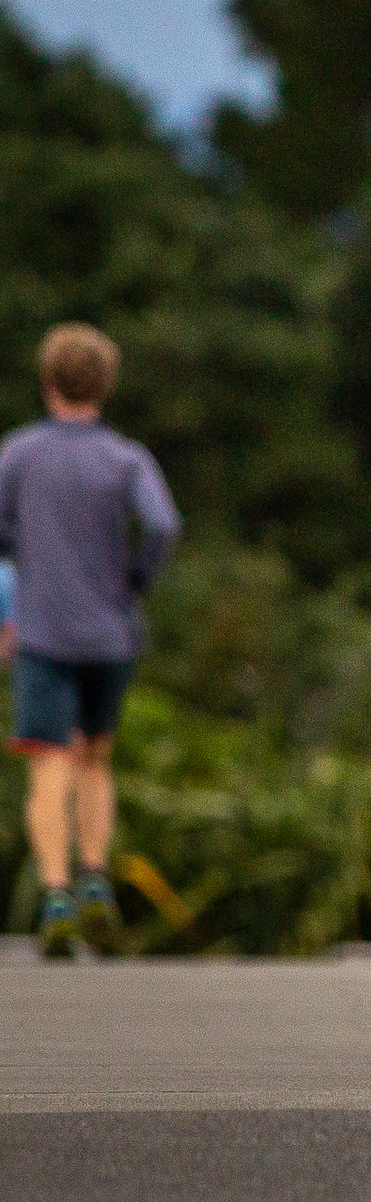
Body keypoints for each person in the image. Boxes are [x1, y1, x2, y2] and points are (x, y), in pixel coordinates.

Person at [1, 324, 181, 960]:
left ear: (48, 382)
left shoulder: (18, 455)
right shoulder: (126, 458)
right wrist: (134, 583)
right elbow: (162, 524)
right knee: (95, 756)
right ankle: (96, 879)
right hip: (111, 633)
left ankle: (54, 895)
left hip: (44, 632)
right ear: (105, 385)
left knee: (47, 761)